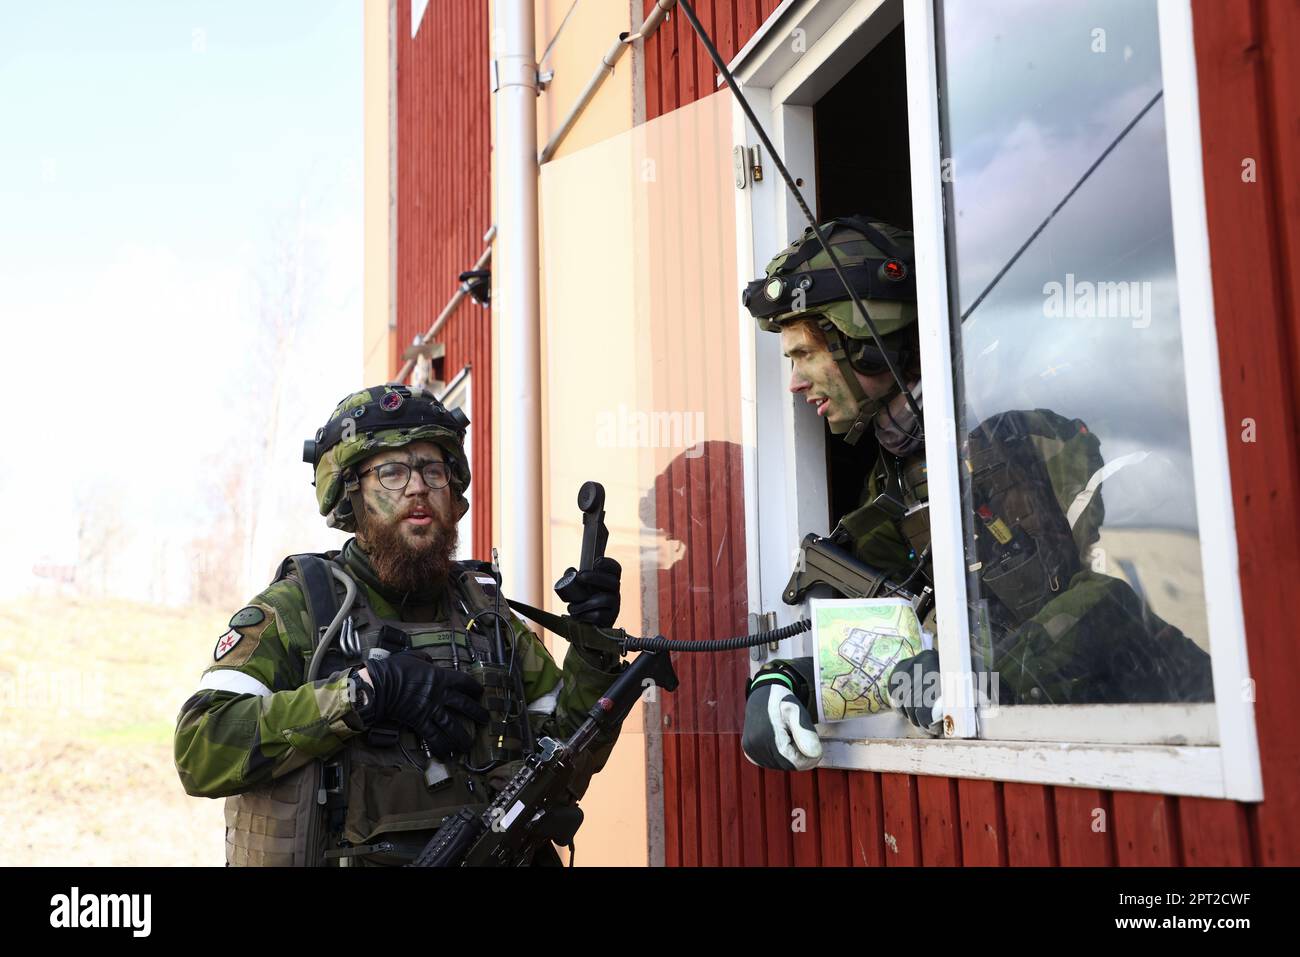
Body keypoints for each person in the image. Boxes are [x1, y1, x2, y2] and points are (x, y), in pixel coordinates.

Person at [738, 217, 1213, 772]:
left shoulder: (1039, 437)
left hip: (1174, 738)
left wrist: (979, 673)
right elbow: (889, 645)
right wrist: (788, 681)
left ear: (864, 343)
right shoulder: (892, 483)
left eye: (803, 354)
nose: (794, 383)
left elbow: (1116, 600)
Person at [174, 384, 625, 866]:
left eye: (433, 470)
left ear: (453, 493)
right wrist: (365, 693)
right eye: (391, 472)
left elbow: (565, 758)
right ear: (352, 495)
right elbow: (201, 748)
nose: (417, 488)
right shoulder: (300, 609)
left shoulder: (487, 617)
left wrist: (592, 648)